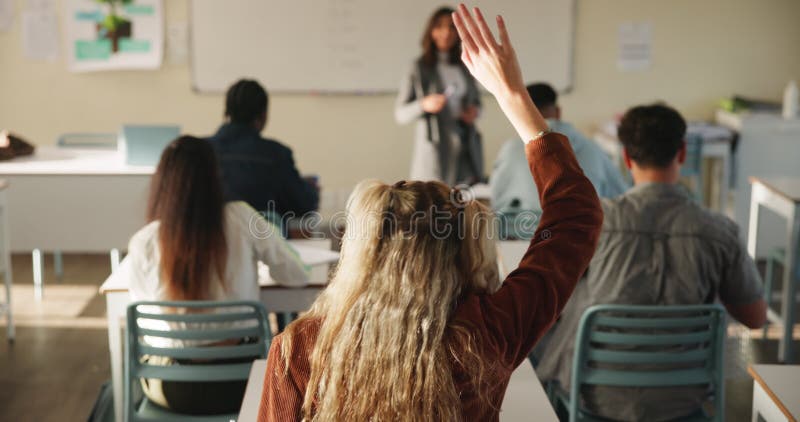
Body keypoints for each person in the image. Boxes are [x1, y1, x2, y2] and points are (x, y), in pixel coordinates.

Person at [258, 6, 603, 420]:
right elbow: (576, 216)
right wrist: (514, 98)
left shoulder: (297, 348)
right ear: (462, 246)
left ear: (365, 246)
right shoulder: (491, 330)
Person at [534, 104, 767, 421]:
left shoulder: (594, 222)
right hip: (683, 400)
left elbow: (550, 297)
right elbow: (755, 317)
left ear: (626, 158)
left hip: (595, 396)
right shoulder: (720, 232)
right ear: (682, 153)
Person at [123, 136, 310, 415]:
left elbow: (144, 317)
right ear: (214, 176)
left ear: (161, 183)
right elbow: (297, 275)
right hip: (241, 384)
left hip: (170, 388)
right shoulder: (242, 218)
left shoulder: (144, 242)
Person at [491, 82, 628, 238]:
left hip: (528, 239)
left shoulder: (512, 150)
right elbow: (621, 195)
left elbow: (497, 201)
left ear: (519, 114)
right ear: (558, 112)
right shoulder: (592, 148)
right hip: (583, 240)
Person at [395, 6, 484, 185]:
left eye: (452, 27)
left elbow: (478, 105)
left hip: (466, 147)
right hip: (435, 149)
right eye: (440, 26)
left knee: (465, 197)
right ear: (431, 31)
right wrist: (424, 104)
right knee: (433, 198)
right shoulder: (418, 67)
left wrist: (475, 112)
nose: (446, 32)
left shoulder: (465, 66)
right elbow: (400, 114)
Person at [207, 79, 319, 219]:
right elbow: (303, 205)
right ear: (263, 115)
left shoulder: (200, 152)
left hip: (212, 233)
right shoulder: (277, 155)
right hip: (261, 233)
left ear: (226, 111)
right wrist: (311, 190)